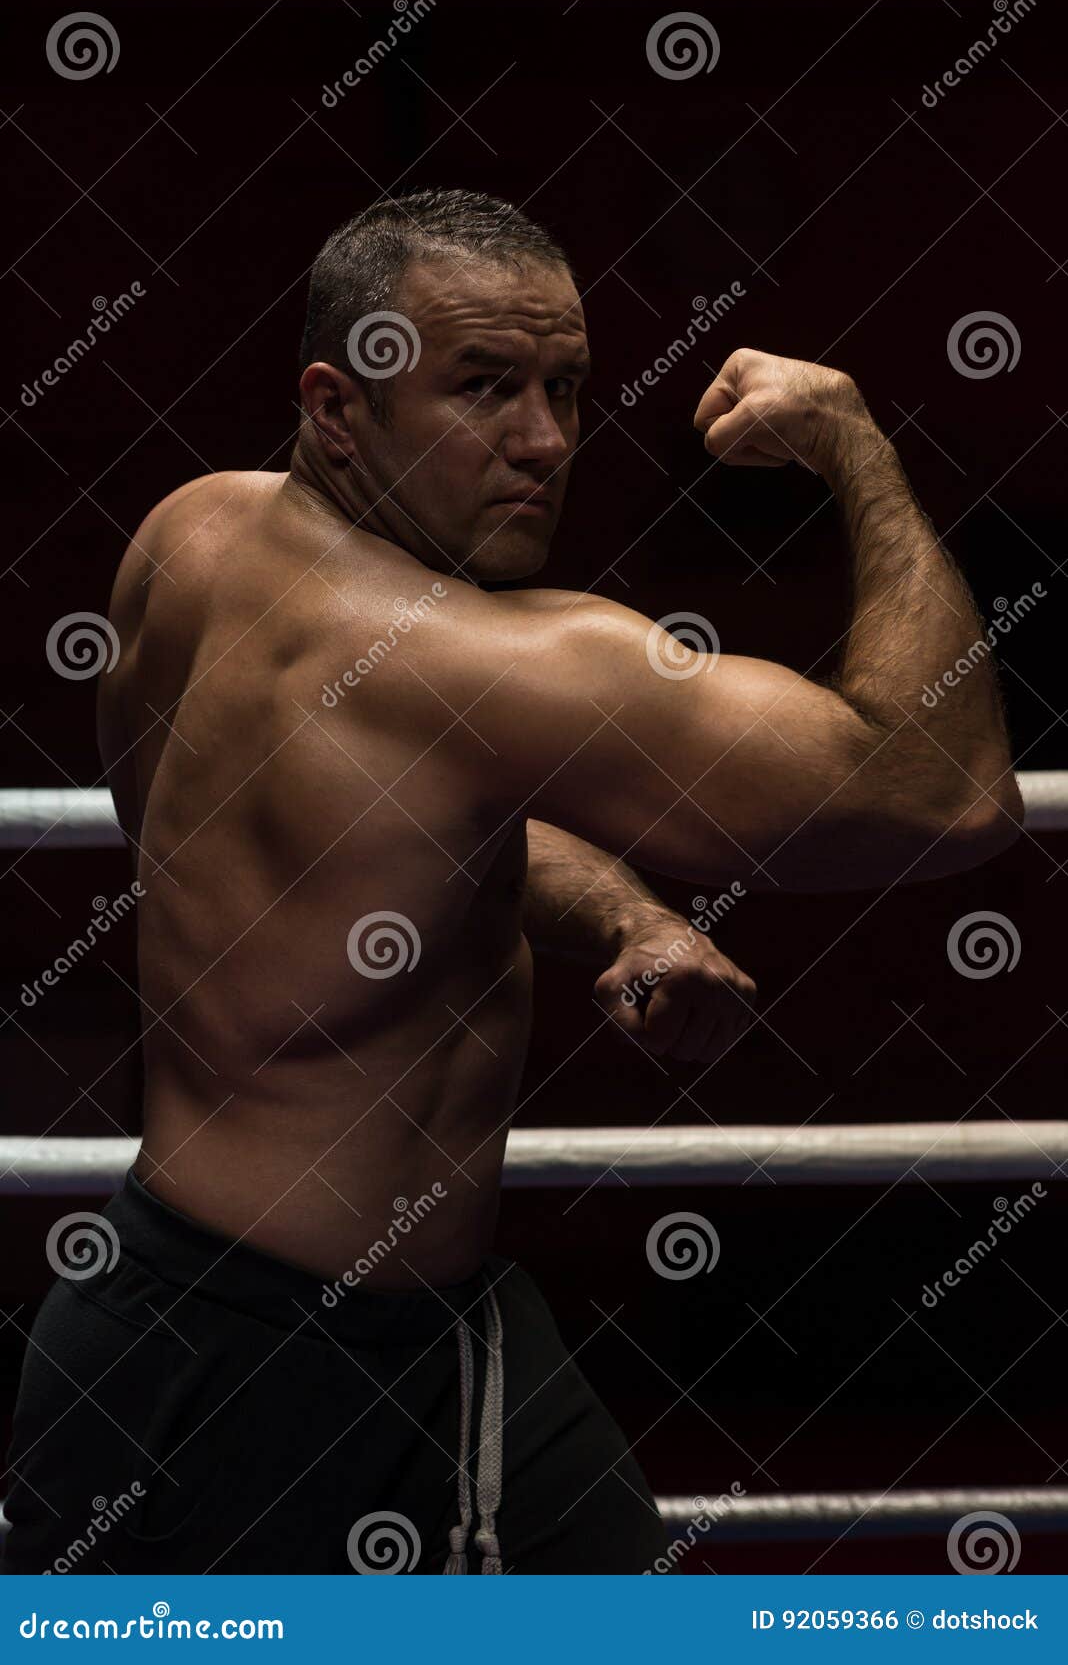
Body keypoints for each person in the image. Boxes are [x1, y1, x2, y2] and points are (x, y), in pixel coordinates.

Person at [1, 188, 1021, 1575]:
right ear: (335, 401)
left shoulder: (191, 542)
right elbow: (942, 787)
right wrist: (856, 446)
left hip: (190, 1311)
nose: (543, 441)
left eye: (566, 387)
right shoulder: (491, 666)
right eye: (482, 387)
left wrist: (627, 910)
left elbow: (381, 817)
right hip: (306, 1375)